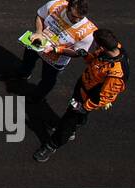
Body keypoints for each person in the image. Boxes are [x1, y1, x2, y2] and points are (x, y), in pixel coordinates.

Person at [33, 29, 127, 162]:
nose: (95, 47)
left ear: (102, 46)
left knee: (69, 119)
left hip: (88, 97)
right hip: (83, 85)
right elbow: (94, 60)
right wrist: (86, 56)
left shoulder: (116, 74)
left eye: (96, 44)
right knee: (76, 117)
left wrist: (84, 107)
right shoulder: (112, 49)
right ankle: (76, 125)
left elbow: (106, 96)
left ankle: (52, 145)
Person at [17, 0, 97, 99]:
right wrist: (38, 32)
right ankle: (23, 74)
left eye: (80, 18)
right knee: (27, 60)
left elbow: (78, 53)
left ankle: (37, 97)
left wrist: (56, 50)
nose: (77, 21)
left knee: (48, 80)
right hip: (37, 44)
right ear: (67, 8)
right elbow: (40, 16)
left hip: (54, 60)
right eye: (73, 16)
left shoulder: (87, 33)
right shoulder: (54, 5)